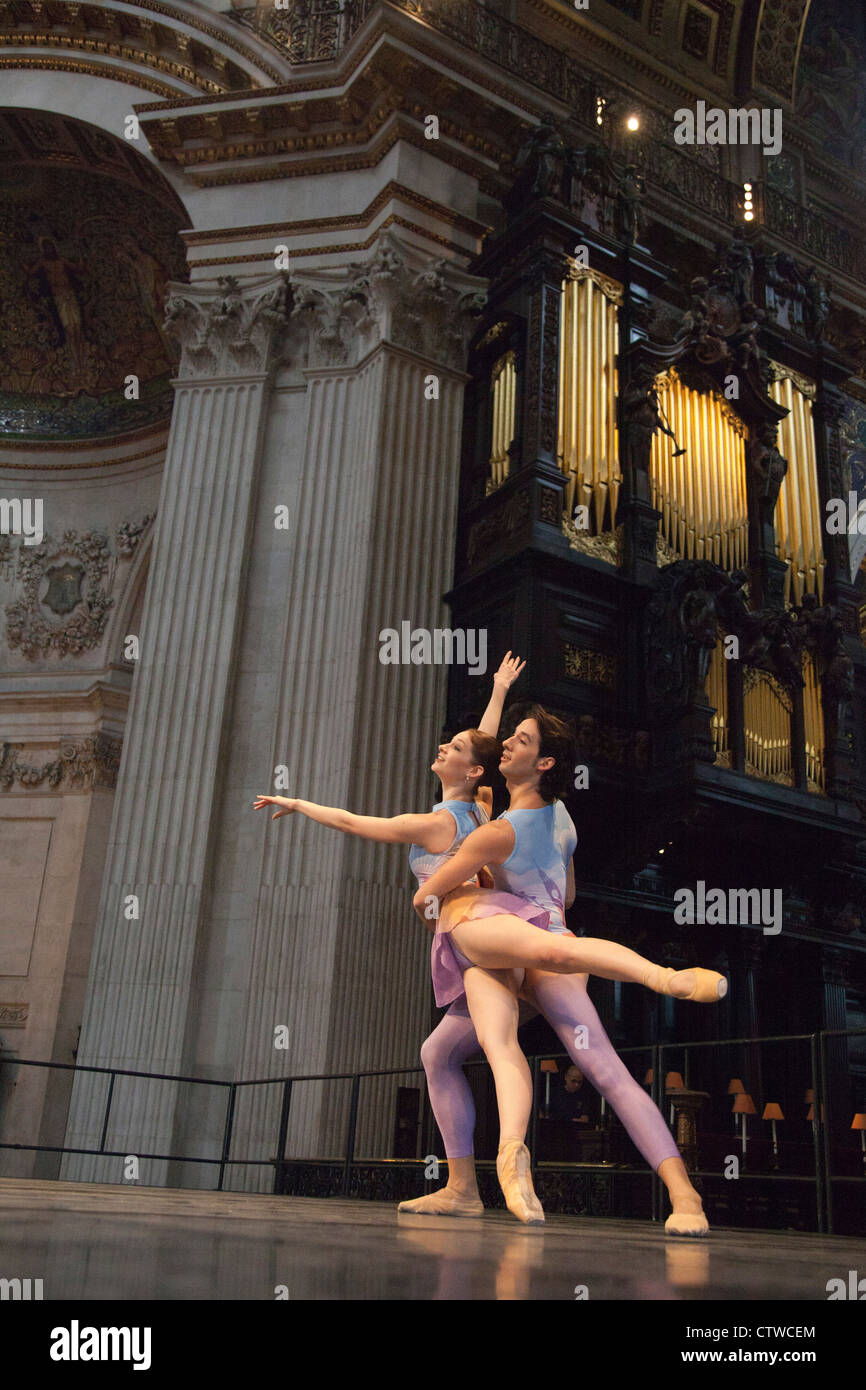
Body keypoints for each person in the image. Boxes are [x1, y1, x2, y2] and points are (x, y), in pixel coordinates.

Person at [405, 705, 720, 1235]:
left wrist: (468, 892)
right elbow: (568, 894)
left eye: (520, 742)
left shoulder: (499, 830)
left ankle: (666, 979)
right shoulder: (563, 819)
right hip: (541, 937)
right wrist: (501, 689)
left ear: (544, 761)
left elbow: (433, 890)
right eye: (509, 739)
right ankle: (683, 1197)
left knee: (582, 1059)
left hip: (515, 948)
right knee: (445, 1053)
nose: (506, 745)